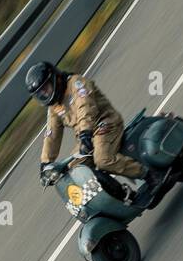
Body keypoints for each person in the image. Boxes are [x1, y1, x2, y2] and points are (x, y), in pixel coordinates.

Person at [25, 61, 148, 197]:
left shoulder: (76, 83)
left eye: (45, 88)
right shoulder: (54, 107)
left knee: (102, 160)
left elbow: (86, 108)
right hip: (86, 137)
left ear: (55, 79)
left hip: (105, 123)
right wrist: (45, 163)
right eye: (40, 93)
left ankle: (147, 174)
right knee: (75, 170)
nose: (44, 94)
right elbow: (51, 134)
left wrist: (85, 134)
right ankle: (120, 195)